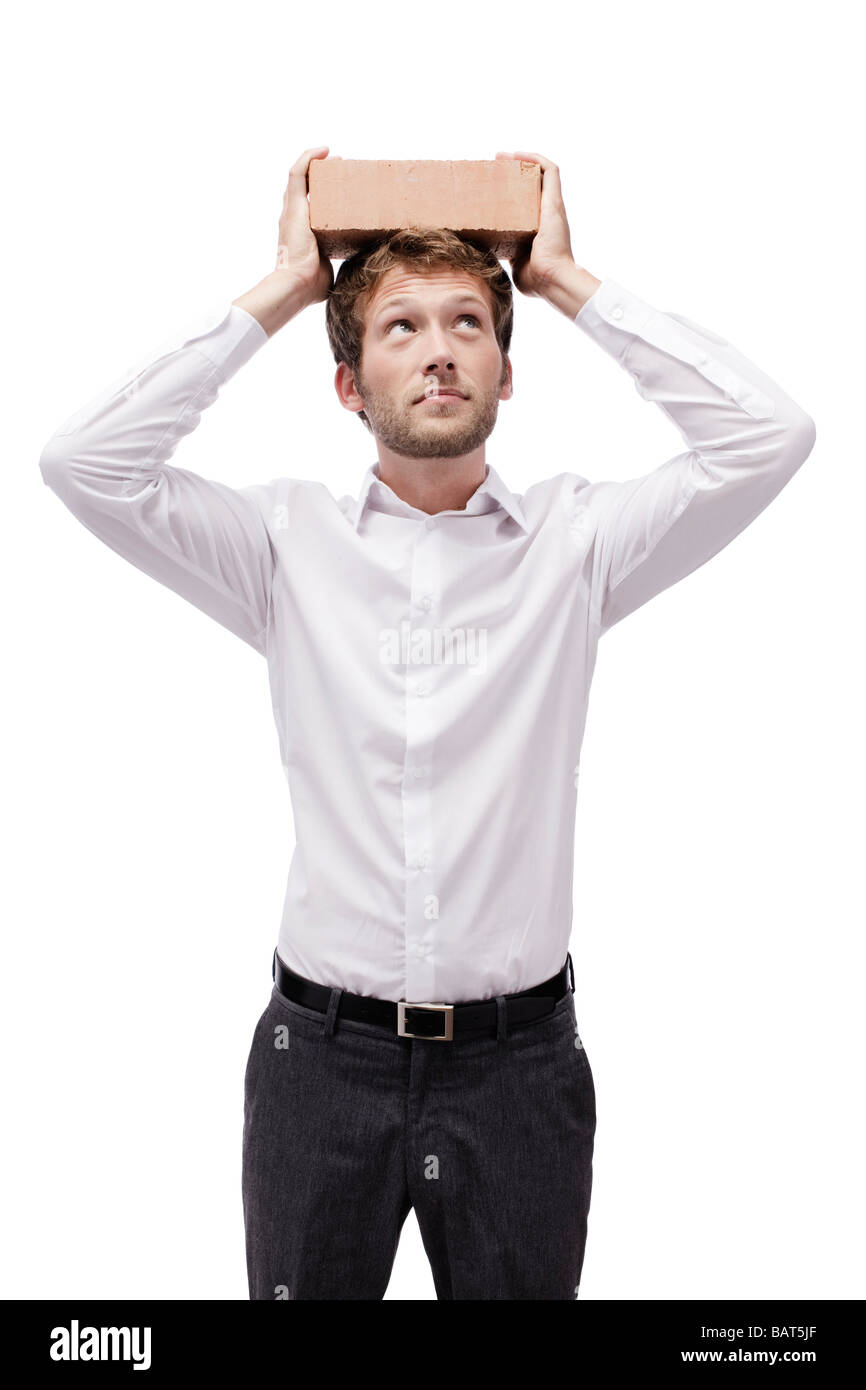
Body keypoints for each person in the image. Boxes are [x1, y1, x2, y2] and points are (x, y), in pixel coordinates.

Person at [38, 145, 816, 1300]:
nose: (441, 348)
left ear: (506, 373)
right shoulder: (280, 546)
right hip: (320, 1065)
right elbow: (82, 461)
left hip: (519, 1070)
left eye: (467, 323)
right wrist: (287, 292)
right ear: (349, 384)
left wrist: (561, 281)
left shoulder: (579, 546)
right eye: (400, 327)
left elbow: (769, 435)